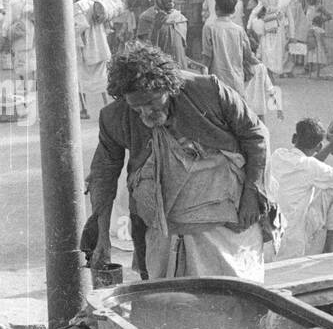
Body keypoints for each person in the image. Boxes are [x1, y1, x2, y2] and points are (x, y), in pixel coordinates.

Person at [87, 45, 275, 283]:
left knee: (233, 294)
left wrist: (252, 192)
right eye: (137, 107)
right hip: (161, 228)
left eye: (153, 102)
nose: (146, 112)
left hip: (227, 221)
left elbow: (256, 136)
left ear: (168, 86)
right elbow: (103, 175)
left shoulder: (208, 91)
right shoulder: (114, 117)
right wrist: (102, 234)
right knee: (166, 296)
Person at [271, 117, 333, 258]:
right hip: (294, 242)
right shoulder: (311, 167)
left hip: (273, 235)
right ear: (318, 147)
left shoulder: (278, 154)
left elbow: (310, 164)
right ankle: (329, 249)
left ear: (294, 138)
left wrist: (331, 145)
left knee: (329, 185)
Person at [201, 0, 257, 97]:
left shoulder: (209, 28)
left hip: (217, 83)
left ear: (216, 8)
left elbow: (207, 56)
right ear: (233, 10)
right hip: (237, 83)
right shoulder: (239, 30)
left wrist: (202, 78)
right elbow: (249, 55)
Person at [135, 0, 188, 67]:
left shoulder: (181, 20)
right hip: (158, 75)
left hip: (180, 74)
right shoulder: (146, 18)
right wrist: (156, 29)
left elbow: (181, 55)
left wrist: (196, 65)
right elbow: (144, 54)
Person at [248, 0, 296, 79]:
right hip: (267, 30)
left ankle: (271, 74)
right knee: (266, 52)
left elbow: (290, 18)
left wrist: (292, 35)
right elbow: (255, 11)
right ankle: (268, 75)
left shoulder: (285, 1)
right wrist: (249, 26)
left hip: (279, 32)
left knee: (277, 54)